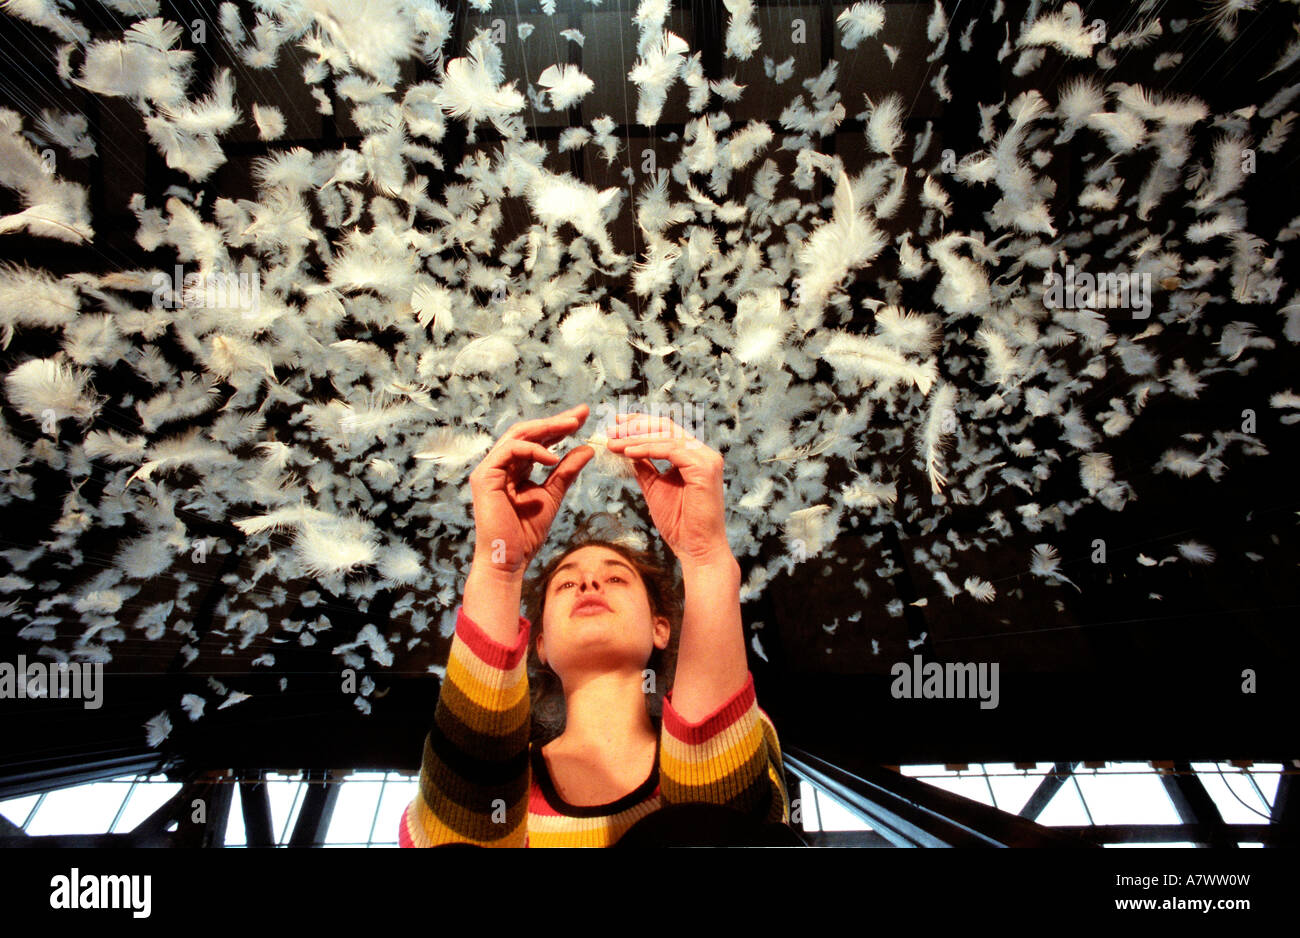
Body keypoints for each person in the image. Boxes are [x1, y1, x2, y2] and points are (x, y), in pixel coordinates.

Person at [399, 404, 796, 846]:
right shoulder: (500, 790)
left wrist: (706, 560)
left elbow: (724, 832)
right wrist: (499, 570)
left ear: (660, 628)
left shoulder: (747, 733)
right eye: (566, 583)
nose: (588, 581)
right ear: (541, 645)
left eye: (615, 577)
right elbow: (457, 838)